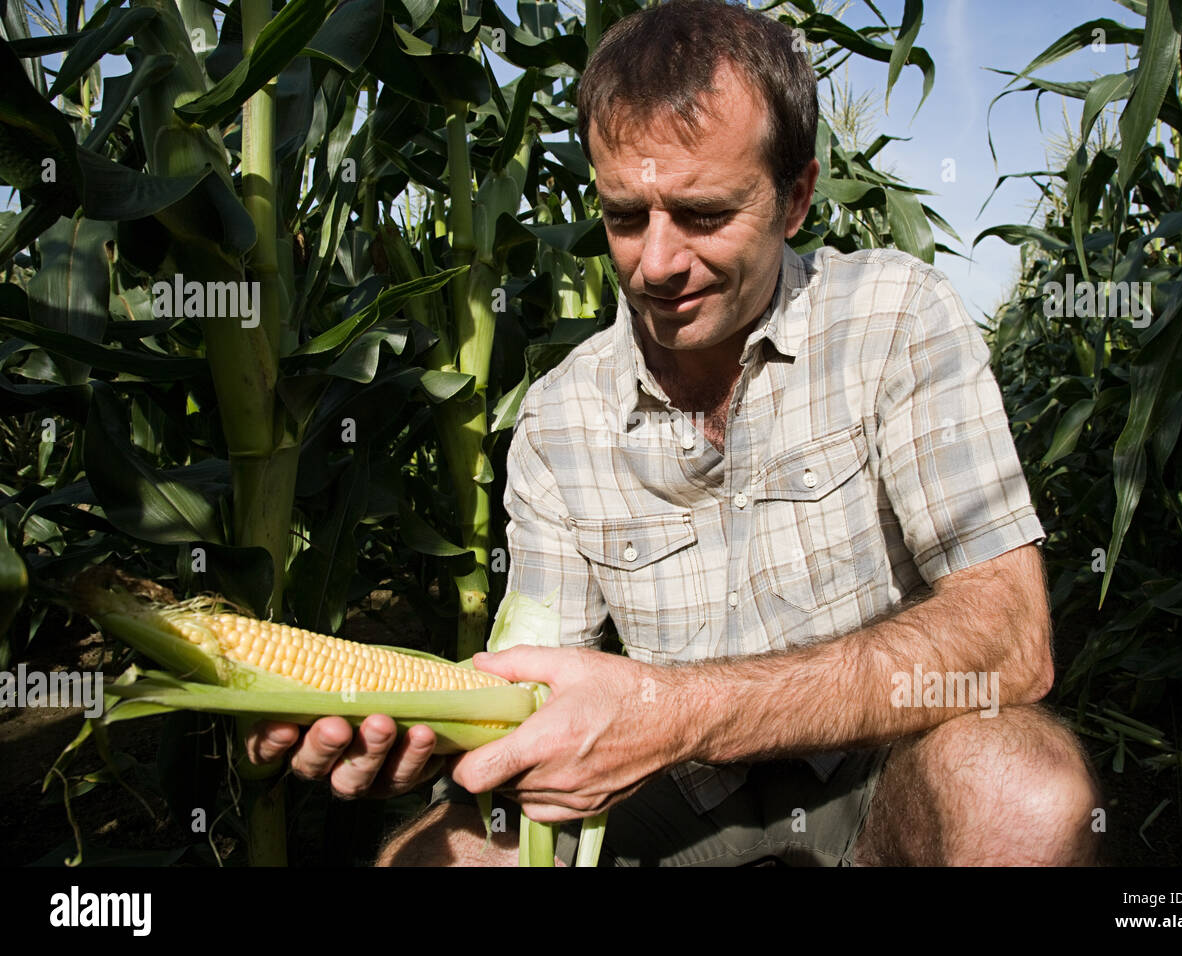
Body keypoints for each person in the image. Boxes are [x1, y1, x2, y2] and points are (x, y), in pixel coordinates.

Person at [247, 0, 1102, 866]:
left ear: (796, 196)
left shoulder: (894, 318)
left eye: (702, 215)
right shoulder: (558, 418)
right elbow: (535, 687)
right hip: (682, 800)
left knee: (1021, 790)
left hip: (888, 774)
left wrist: (674, 711)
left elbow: (1009, 639)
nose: (655, 265)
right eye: (624, 217)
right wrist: (428, 735)